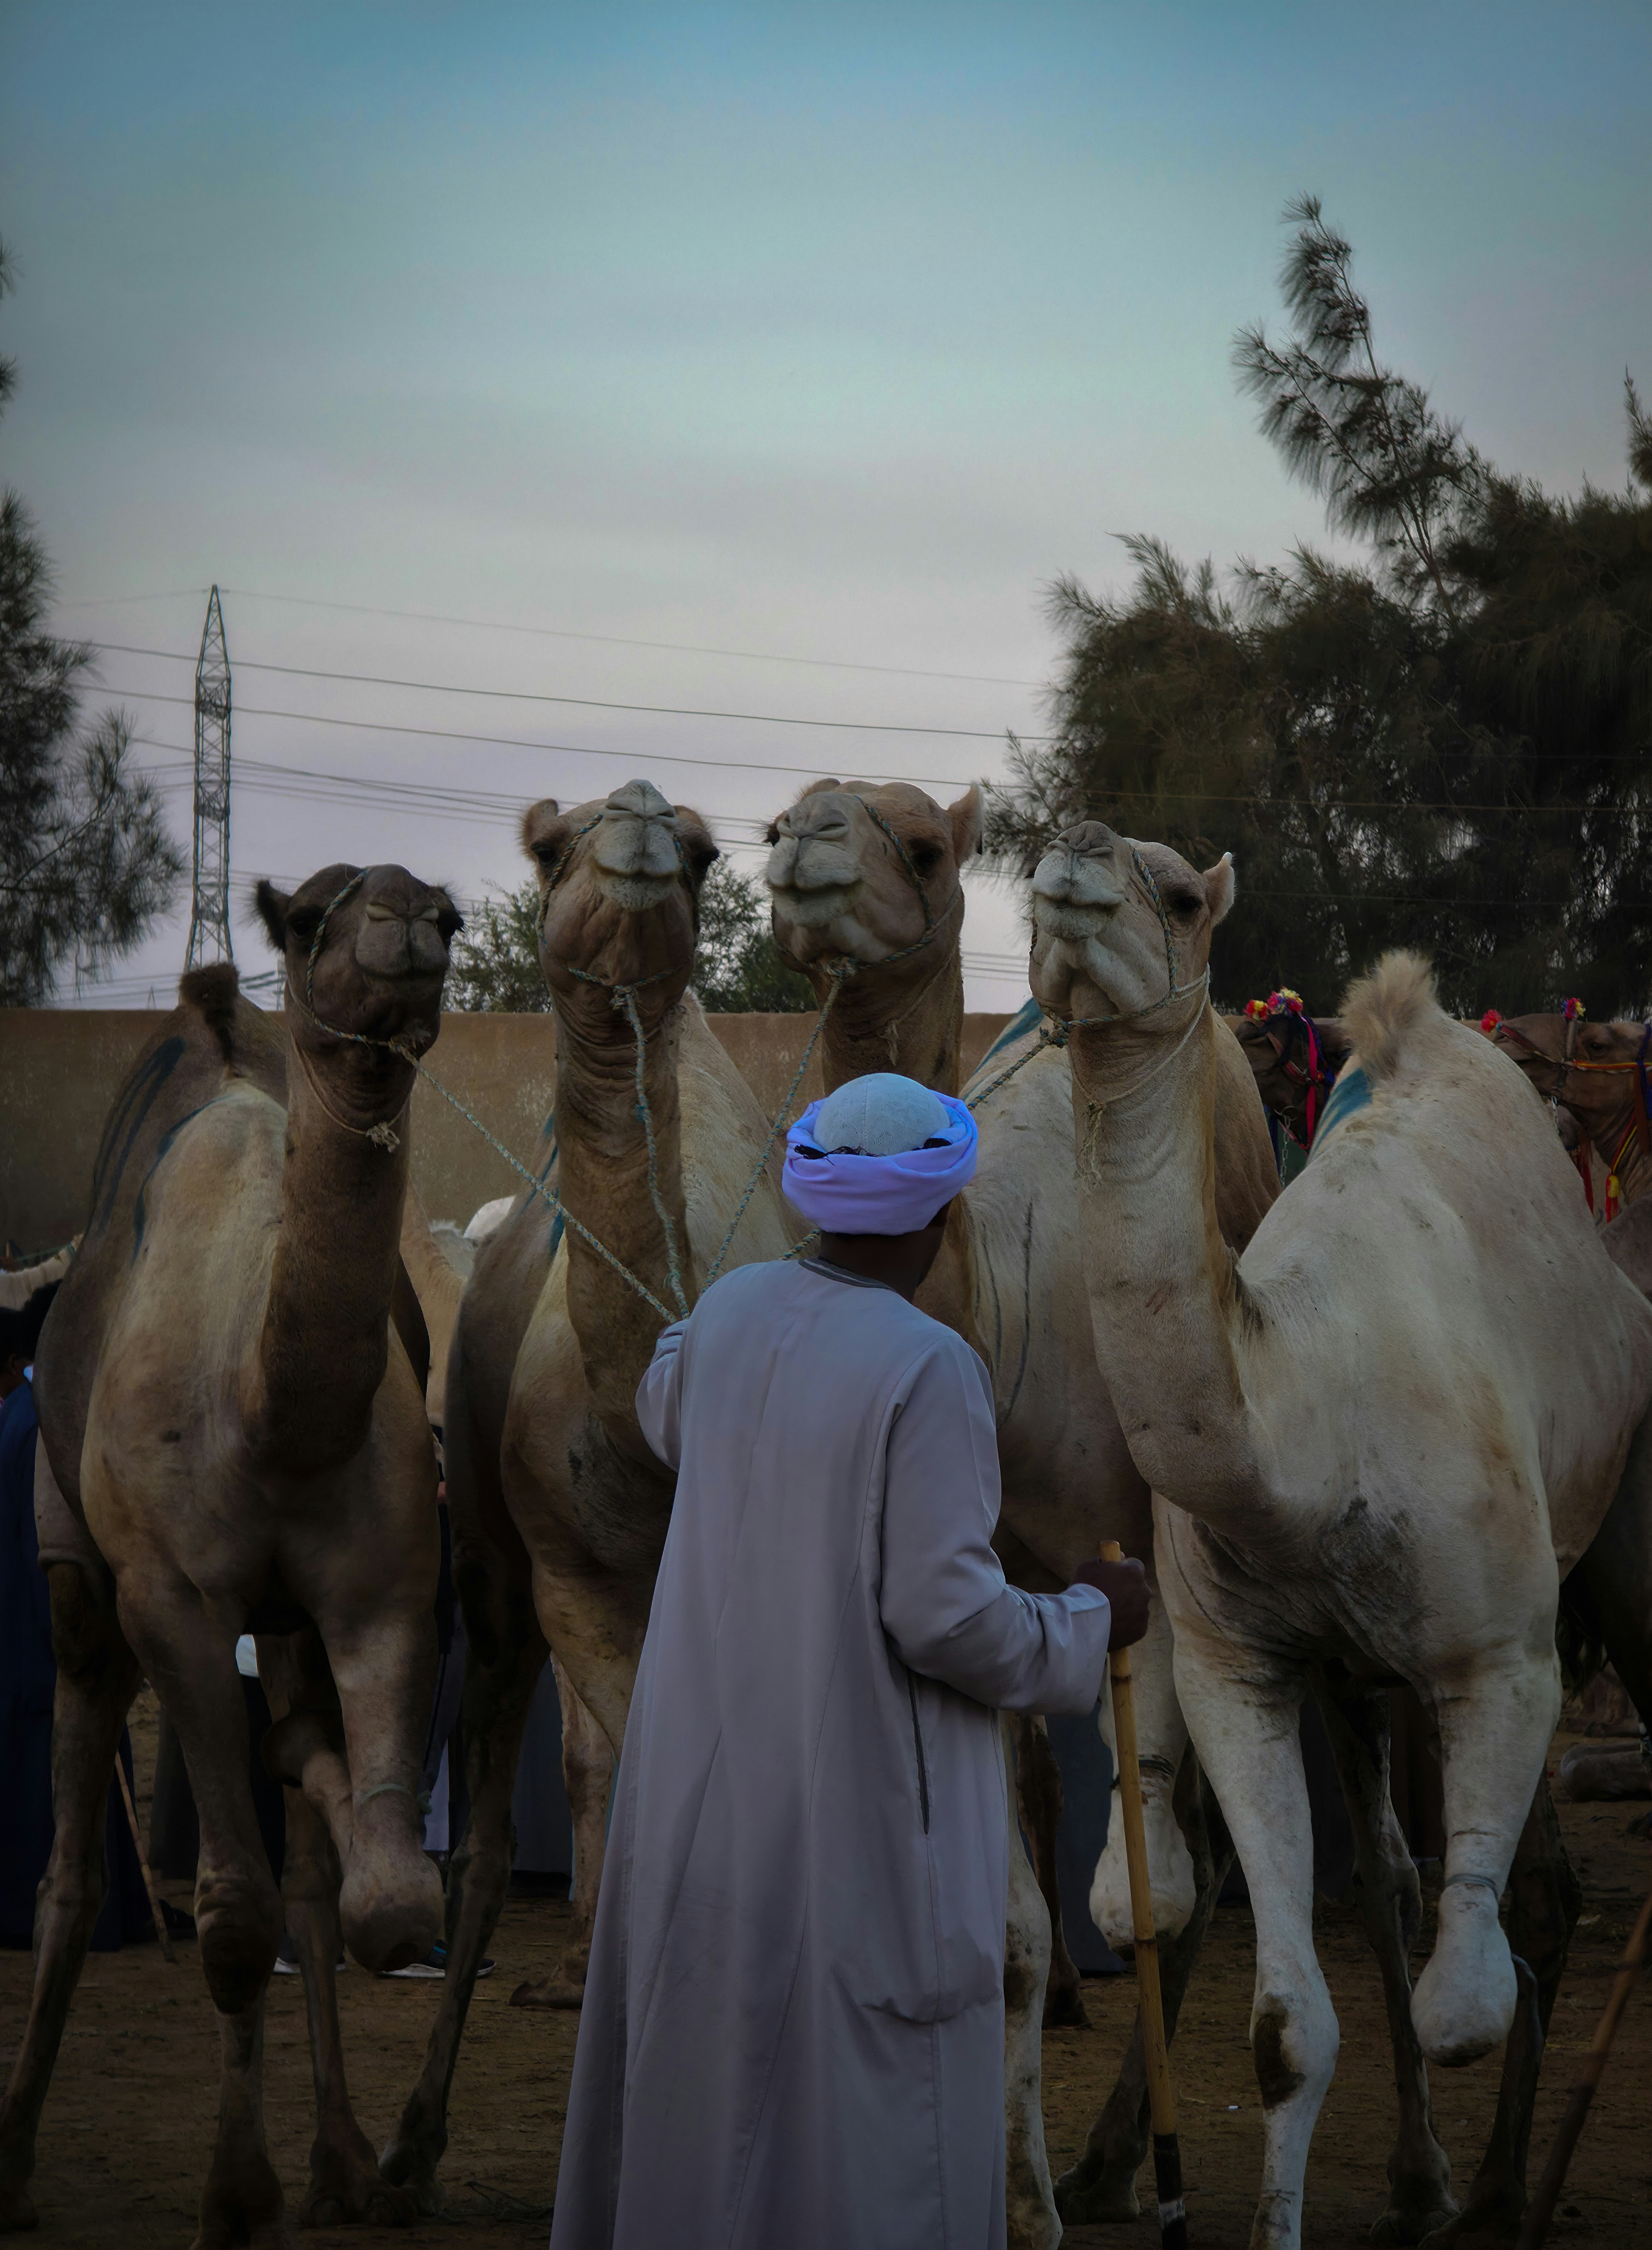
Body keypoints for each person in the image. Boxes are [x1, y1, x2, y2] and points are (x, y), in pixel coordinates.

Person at [550, 1073, 1150, 2250]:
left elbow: (665, 1400)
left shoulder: (721, 1319)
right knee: (867, 2135)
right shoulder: (929, 1368)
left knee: (718, 2102)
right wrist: (1088, 1615)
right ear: (943, 1220)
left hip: (716, 1816)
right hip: (857, 1825)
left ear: (811, 1205)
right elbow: (948, 1619)